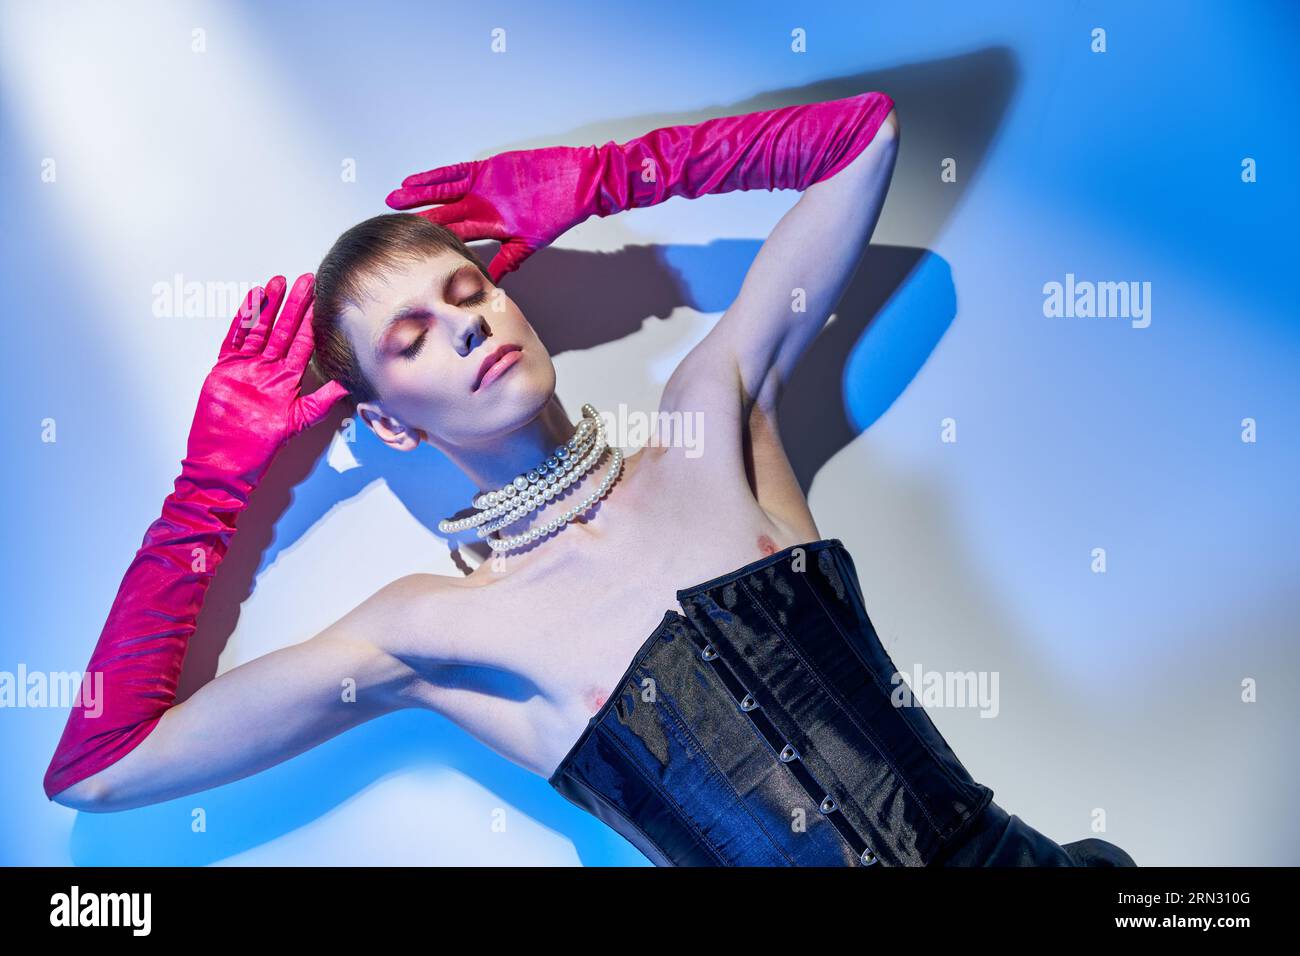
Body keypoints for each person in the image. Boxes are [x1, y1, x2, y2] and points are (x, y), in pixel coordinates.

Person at [41, 90, 1135, 866]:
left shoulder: (712, 420)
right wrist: (210, 489)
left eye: (466, 290)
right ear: (390, 422)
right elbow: (98, 766)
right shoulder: (432, 629)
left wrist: (613, 177)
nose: (465, 329)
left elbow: (863, 143)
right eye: (414, 336)